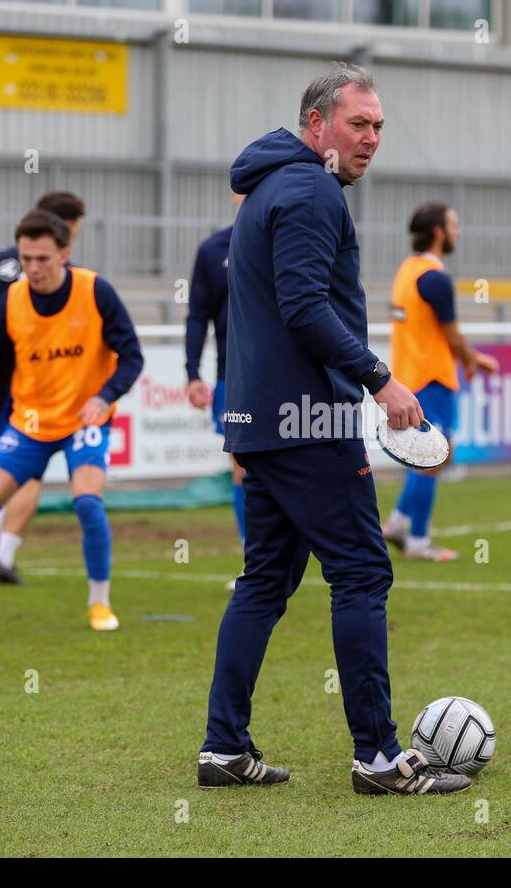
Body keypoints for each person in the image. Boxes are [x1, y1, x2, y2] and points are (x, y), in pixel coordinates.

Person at [196, 64, 470, 796]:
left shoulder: (266, 187)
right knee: (362, 571)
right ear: (317, 124)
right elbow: (304, 306)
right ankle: (378, 757)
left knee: (266, 579)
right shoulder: (312, 188)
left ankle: (223, 747)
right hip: (307, 421)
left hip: (259, 418)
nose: (372, 137)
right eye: (359, 123)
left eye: (379, 125)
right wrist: (381, 380)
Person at [0, 209, 143, 632]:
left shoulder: (96, 291)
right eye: (26, 258)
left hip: (83, 420)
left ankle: (100, 604)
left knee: (88, 502)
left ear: (65, 253)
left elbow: (132, 357)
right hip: (31, 422)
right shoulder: (10, 302)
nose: (33, 268)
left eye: (42, 258)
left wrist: (105, 395)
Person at [0, 191, 88, 584]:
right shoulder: (63, 270)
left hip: (0, 381)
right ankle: (3, 552)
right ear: (65, 228)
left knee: (1, 465)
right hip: (37, 385)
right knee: (28, 473)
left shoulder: (1, 260)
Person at [381, 203, 497, 561]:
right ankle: (417, 540)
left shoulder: (406, 271)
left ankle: (400, 523)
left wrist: (469, 358)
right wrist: (472, 359)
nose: (457, 232)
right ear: (437, 232)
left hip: (410, 376)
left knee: (432, 456)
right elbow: (452, 334)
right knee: (433, 457)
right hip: (431, 378)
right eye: (453, 225)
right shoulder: (434, 278)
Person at [185, 192, 248, 589]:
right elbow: (197, 315)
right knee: (244, 469)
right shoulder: (213, 250)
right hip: (234, 379)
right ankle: (254, 559)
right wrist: (192, 373)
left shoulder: (291, 239)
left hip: (290, 377)